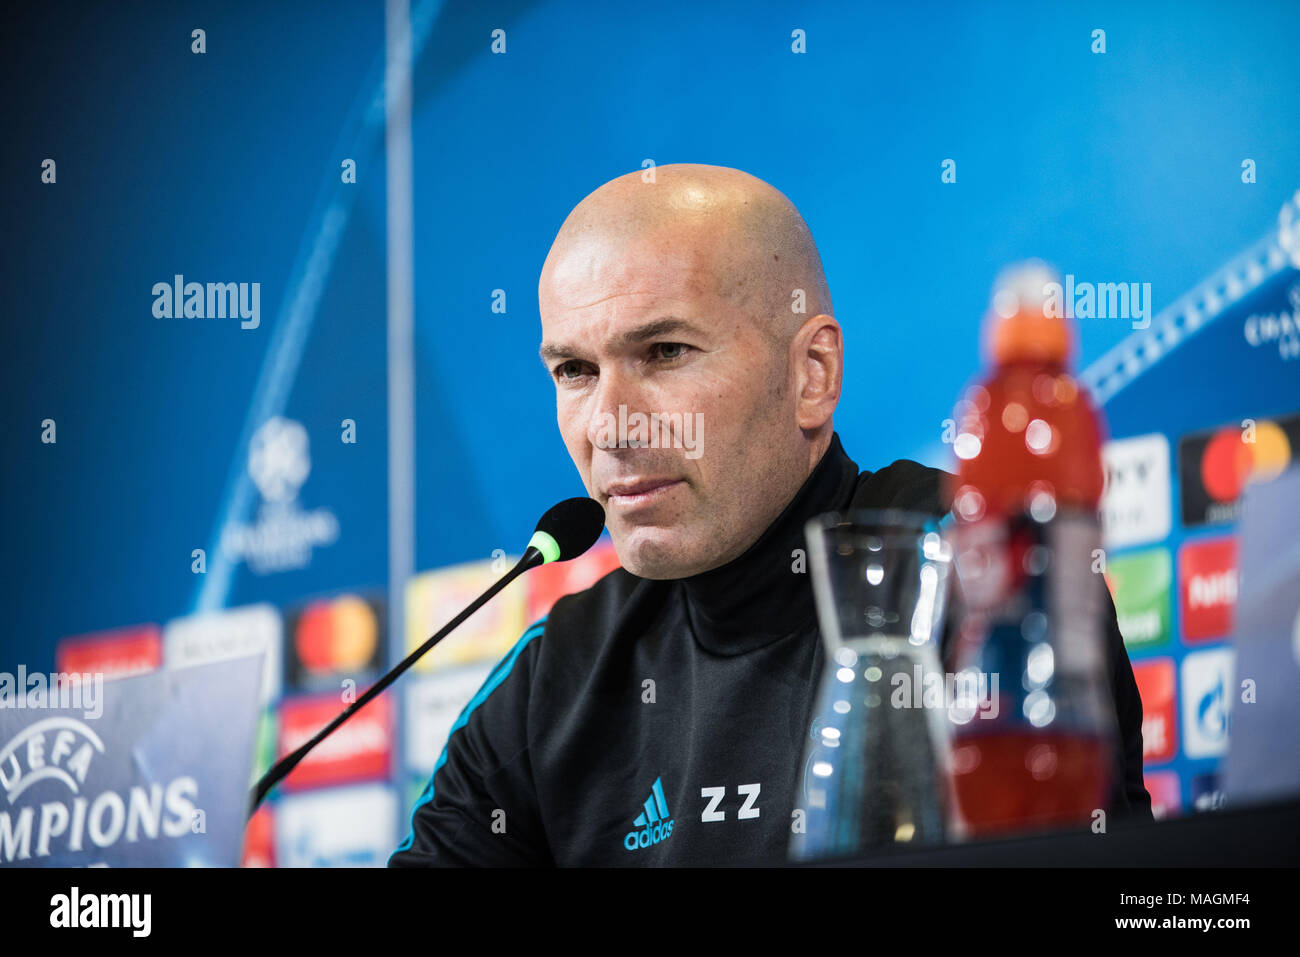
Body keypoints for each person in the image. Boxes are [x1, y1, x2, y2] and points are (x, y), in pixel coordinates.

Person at [389, 164, 1151, 866]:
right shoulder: (555, 677)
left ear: (811, 375)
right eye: (575, 371)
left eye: (664, 352)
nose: (608, 425)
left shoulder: (982, 572)